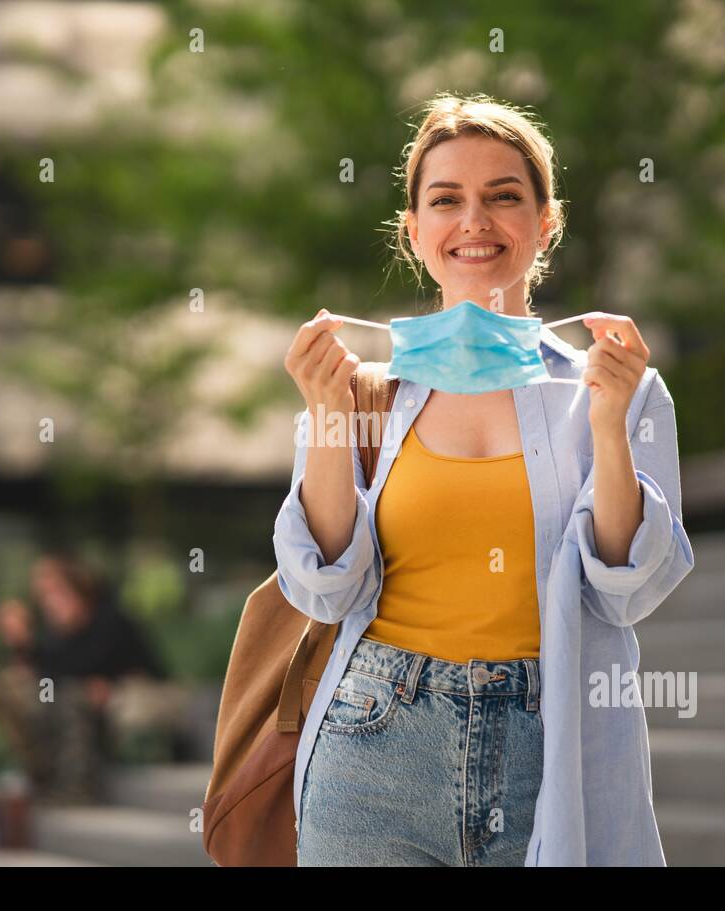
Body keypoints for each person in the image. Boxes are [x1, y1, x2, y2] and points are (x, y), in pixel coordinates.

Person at [278, 93, 694, 866]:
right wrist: (328, 415)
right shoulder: (361, 393)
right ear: (415, 232)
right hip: (374, 743)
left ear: (546, 223)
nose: (475, 220)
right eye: (447, 200)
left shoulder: (618, 389)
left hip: (549, 744)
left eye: (504, 196)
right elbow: (323, 590)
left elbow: (627, 591)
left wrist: (608, 425)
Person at [0, 553, 167, 803]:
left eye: (55, 591)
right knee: (12, 687)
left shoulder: (107, 617)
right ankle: (40, 775)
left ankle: (77, 786)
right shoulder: (55, 629)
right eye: (43, 595)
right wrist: (24, 647)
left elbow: (92, 663)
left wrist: (107, 683)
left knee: (73, 695)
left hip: (137, 692)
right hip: (84, 697)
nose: (49, 601)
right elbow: (52, 671)